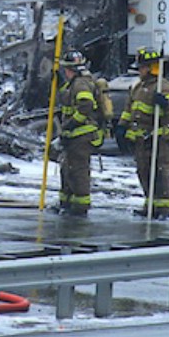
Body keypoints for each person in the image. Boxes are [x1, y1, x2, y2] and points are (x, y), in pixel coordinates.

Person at [120, 47, 169, 220]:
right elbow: (129, 110)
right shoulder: (138, 87)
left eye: (142, 67)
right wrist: (122, 127)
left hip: (159, 139)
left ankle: (163, 209)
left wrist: (165, 103)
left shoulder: (164, 86)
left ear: (152, 67)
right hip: (141, 139)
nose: (139, 71)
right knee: (144, 172)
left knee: (160, 173)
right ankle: (150, 205)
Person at [54, 49, 105, 217]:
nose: (65, 72)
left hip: (82, 135)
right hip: (73, 135)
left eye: (66, 69)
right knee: (67, 169)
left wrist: (72, 123)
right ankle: (66, 203)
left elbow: (86, 105)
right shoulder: (73, 83)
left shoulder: (81, 83)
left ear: (72, 70)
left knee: (78, 171)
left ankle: (80, 207)